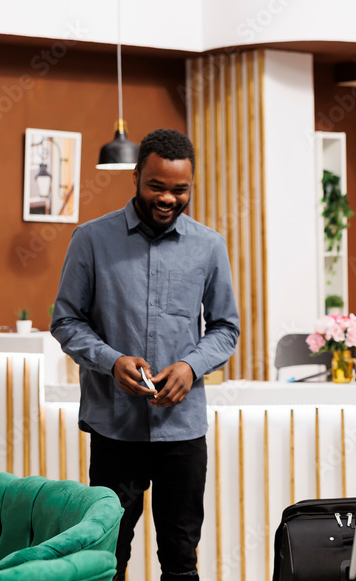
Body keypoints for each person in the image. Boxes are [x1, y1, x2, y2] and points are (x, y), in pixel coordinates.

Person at [51, 128, 240, 581]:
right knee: (107, 558)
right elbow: (66, 321)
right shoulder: (91, 240)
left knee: (180, 560)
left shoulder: (209, 246)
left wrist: (191, 367)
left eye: (180, 190)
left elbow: (225, 328)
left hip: (182, 435)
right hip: (115, 433)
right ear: (136, 176)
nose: (168, 199)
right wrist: (110, 360)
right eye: (157, 186)